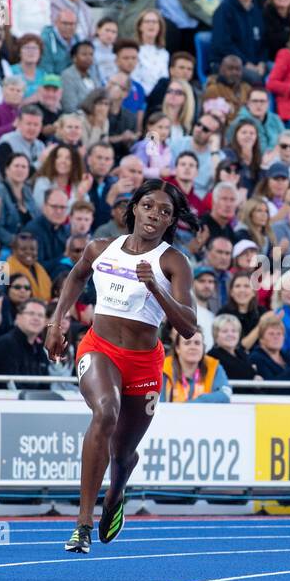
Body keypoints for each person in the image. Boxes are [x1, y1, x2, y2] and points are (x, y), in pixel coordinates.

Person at [46, 179, 198, 554]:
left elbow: (189, 327)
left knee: (124, 453)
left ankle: (115, 493)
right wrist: (56, 322)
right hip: (99, 348)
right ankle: (81, 524)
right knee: (105, 412)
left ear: (171, 221)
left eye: (165, 212)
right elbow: (77, 276)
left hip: (145, 363)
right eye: (148, 206)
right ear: (134, 209)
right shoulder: (101, 247)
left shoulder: (173, 261)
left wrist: (157, 288)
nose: (155, 215)